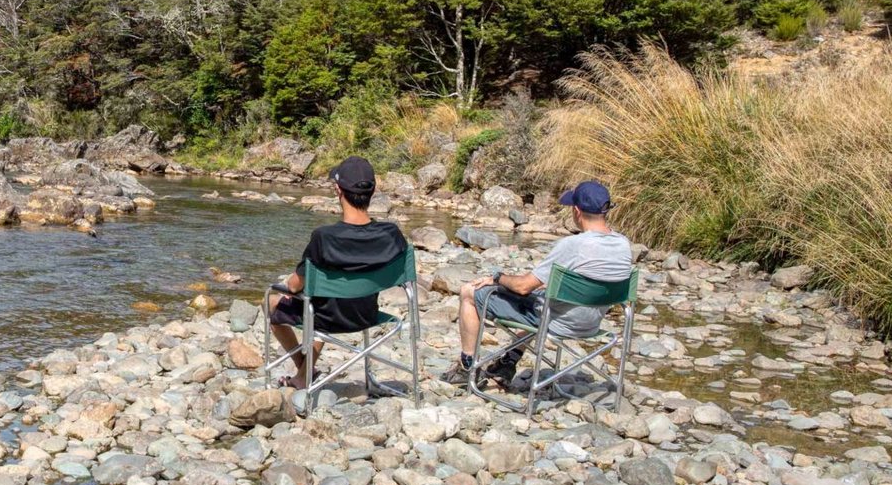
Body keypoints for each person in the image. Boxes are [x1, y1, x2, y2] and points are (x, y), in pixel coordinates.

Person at [442, 180, 632, 388]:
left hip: (557, 322)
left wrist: (497, 278)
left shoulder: (573, 245)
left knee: (469, 292)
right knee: (541, 296)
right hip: (591, 323)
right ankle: (507, 363)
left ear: (577, 211)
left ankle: (467, 367)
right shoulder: (623, 244)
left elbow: (524, 286)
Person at [265, 157, 408, 390]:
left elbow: (293, 286)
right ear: (373, 192)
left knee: (272, 301)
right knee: (323, 297)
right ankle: (304, 374)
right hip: (367, 314)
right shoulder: (391, 233)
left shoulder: (325, 237)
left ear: (338, 190)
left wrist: (291, 283)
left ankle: (304, 372)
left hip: (326, 318)